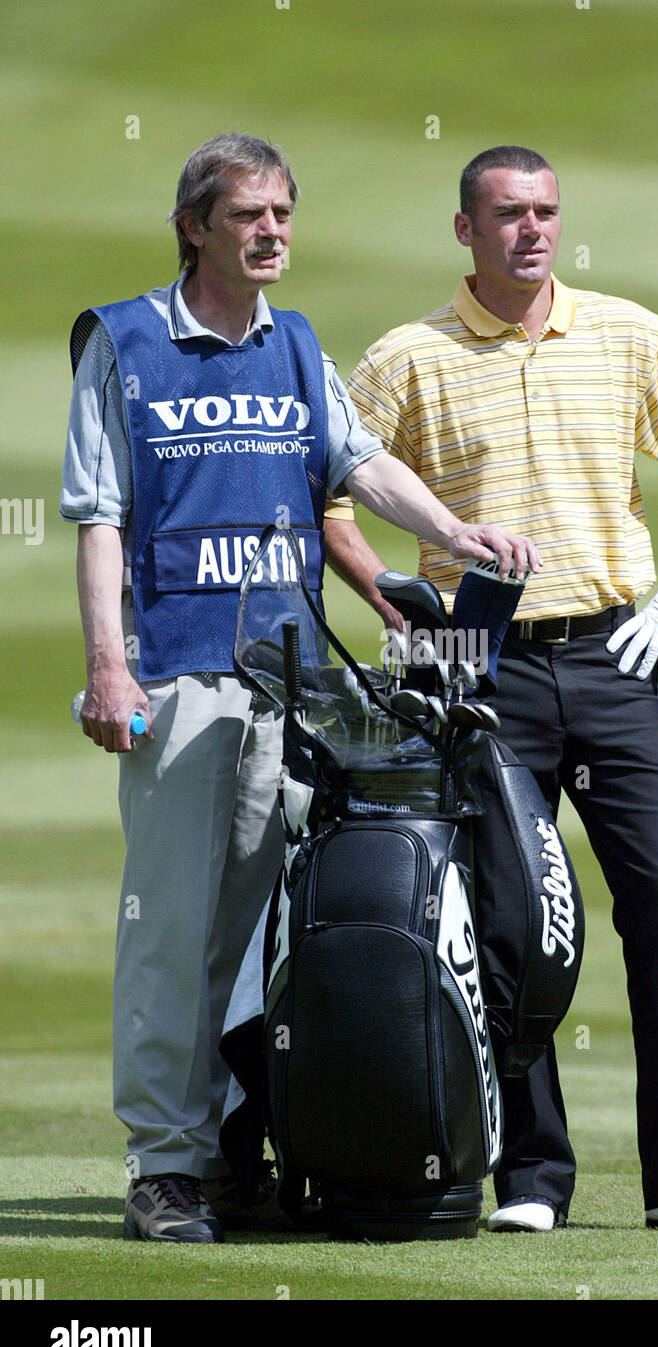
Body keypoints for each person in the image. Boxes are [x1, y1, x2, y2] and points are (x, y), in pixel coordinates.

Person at [60, 133, 540, 1244]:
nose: (272, 232)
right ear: (195, 227)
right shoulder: (125, 343)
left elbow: (357, 461)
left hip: (298, 692)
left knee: (271, 936)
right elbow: (97, 517)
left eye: (283, 213)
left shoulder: (296, 344)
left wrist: (449, 530)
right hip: (178, 680)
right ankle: (165, 1168)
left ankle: (240, 1155)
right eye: (247, 216)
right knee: (174, 937)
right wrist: (106, 668)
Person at [345, 145, 658, 1235]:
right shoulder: (408, 356)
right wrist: (392, 601)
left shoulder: (624, 333)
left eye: (544, 211)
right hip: (475, 663)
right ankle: (532, 1177)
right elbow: (330, 490)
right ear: (465, 231)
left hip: (609, 653)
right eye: (506, 214)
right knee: (508, 919)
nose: (530, 231)